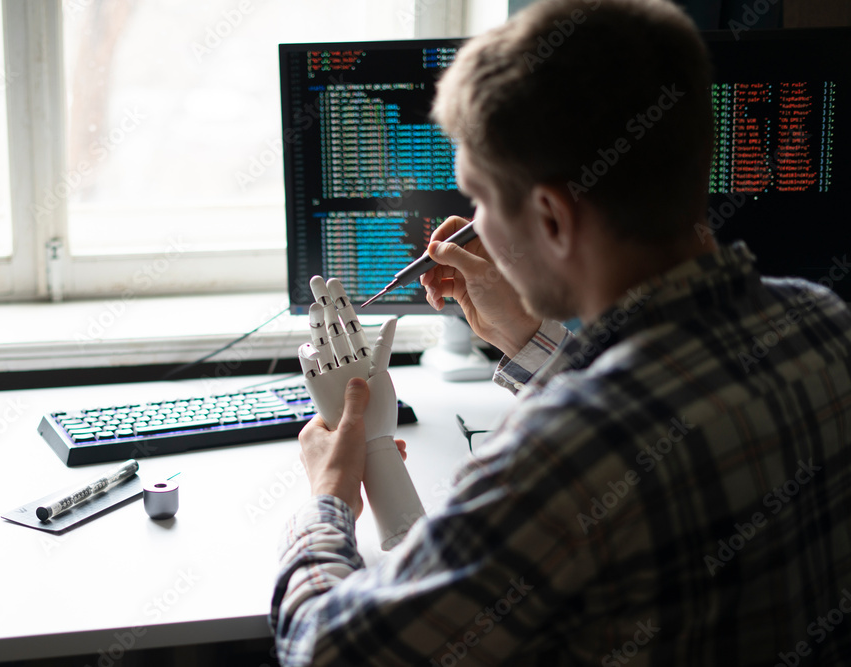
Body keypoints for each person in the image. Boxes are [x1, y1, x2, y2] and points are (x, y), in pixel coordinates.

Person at [270, 0, 851, 664]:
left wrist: (326, 502)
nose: (473, 227)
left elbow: (324, 652)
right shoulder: (824, 324)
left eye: (480, 200)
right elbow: (658, 388)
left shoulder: (557, 460)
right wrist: (525, 338)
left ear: (549, 216)